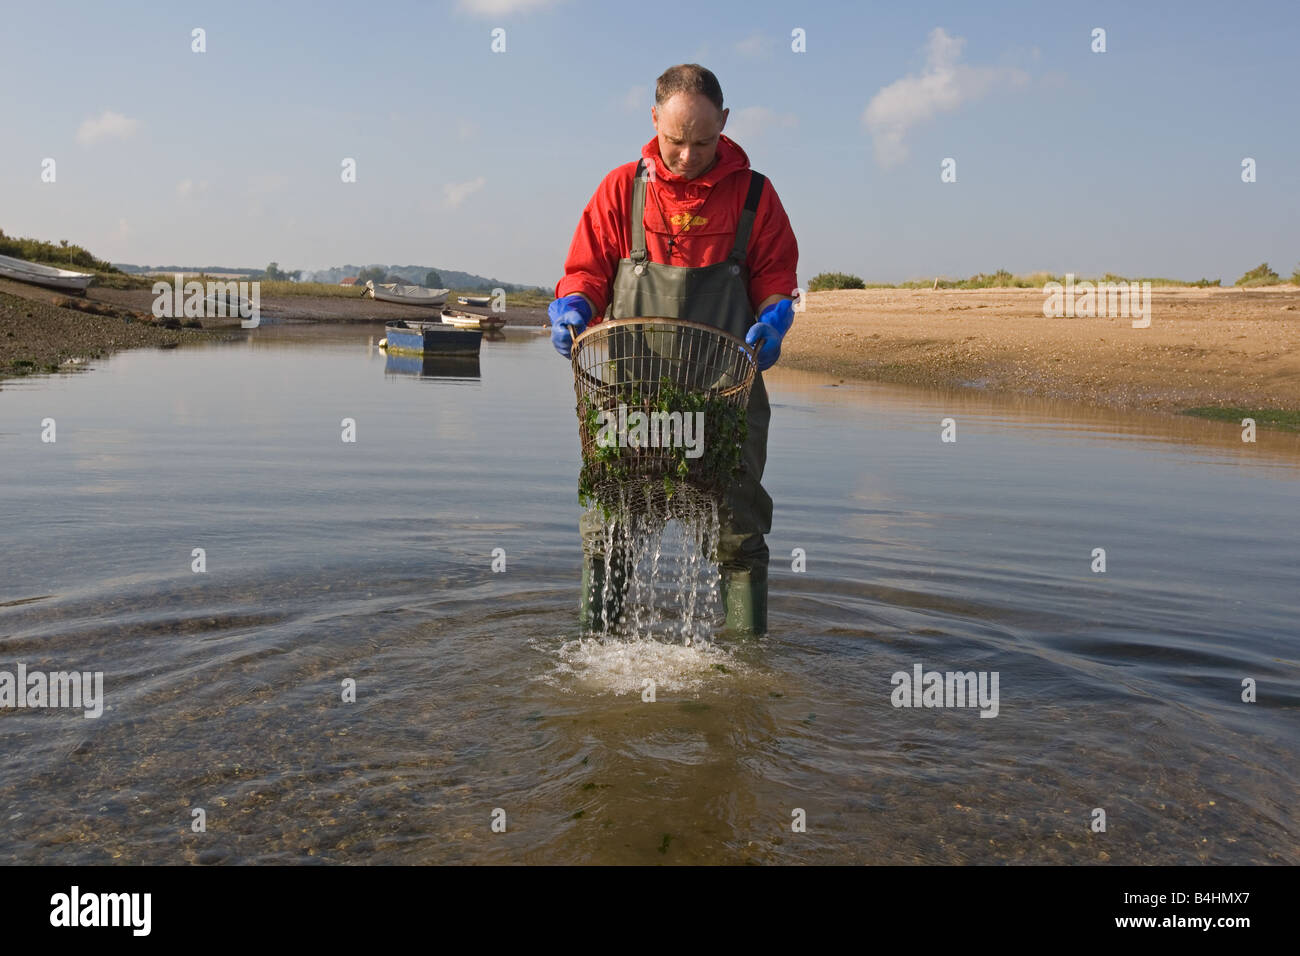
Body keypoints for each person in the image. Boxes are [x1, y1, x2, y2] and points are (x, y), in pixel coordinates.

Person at [549, 63, 799, 635]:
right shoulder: (621, 189)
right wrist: (575, 307)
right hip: (629, 399)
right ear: (654, 119)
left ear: (726, 124)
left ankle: (741, 667)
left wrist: (775, 318)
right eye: (675, 140)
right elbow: (586, 272)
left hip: (724, 399)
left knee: (737, 532)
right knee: (611, 528)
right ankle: (598, 650)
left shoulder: (755, 196)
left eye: (704, 141)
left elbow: (775, 278)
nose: (687, 156)